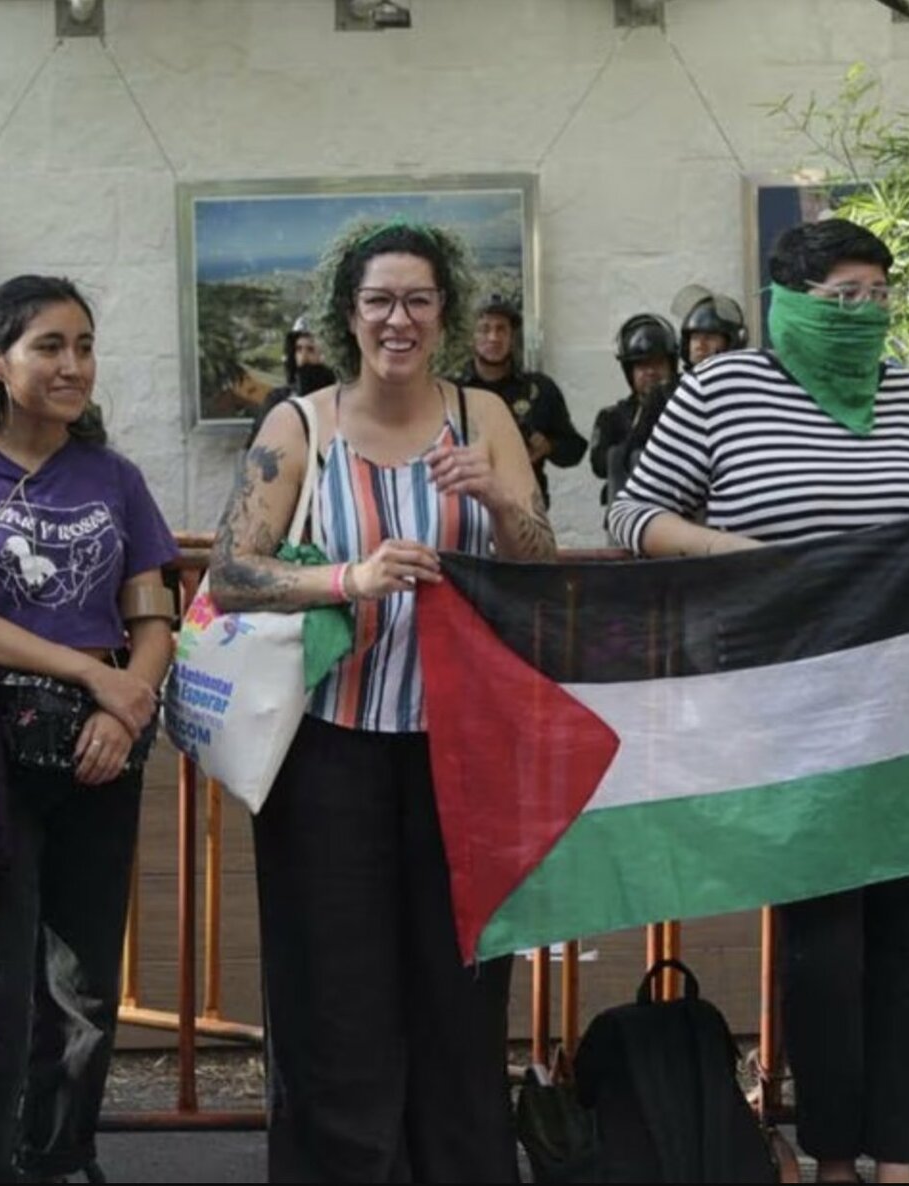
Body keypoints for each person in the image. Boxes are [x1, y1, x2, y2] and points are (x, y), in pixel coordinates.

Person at [608, 218, 909, 1185]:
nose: (866, 313)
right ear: (790, 302)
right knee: (823, 935)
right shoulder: (719, 391)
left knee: (904, 933)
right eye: (843, 298)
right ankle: (833, 1154)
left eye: (879, 295)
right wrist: (745, 558)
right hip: (795, 689)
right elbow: (632, 514)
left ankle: (899, 1157)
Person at [209, 220, 556, 1182]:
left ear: (447, 312)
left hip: (463, 752)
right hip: (329, 748)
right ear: (346, 314)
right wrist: (347, 580)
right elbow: (231, 573)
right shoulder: (300, 425)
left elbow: (538, 559)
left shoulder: (483, 416)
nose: (398, 320)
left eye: (417, 300)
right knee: (335, 995)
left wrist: (498, 498)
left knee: (461, 991)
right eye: (378, 301)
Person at [0, 274, 179, 1182]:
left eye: (84, 346)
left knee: (85, 989)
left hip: (103, 747)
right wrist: (94, 677)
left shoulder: (115, 477)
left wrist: (128, 703)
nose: (73, 366)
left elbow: (153, 617)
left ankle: (55, 1160)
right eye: (49, 347)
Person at [454, 294, 586, 508]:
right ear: (472, 337)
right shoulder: (452, 391)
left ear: (512, 336)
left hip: (525, 508)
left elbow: (574, 450)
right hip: (466, 507)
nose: (493, 337)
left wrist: (548, 446)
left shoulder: (539, 389)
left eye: (501, 329)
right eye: (485, 329)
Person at [589, 312, 680, 505]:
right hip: (627, 508)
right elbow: (599, 465)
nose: (651, 372)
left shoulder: (686, 410)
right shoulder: (611, 416)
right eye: (642, 366)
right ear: (630, 372)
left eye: (658, 363)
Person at [673, 285, 748, 369]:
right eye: (695, 337)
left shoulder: (745, 376)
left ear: (730, 342)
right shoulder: (684, 378)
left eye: (709, 338)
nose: (700, 345)